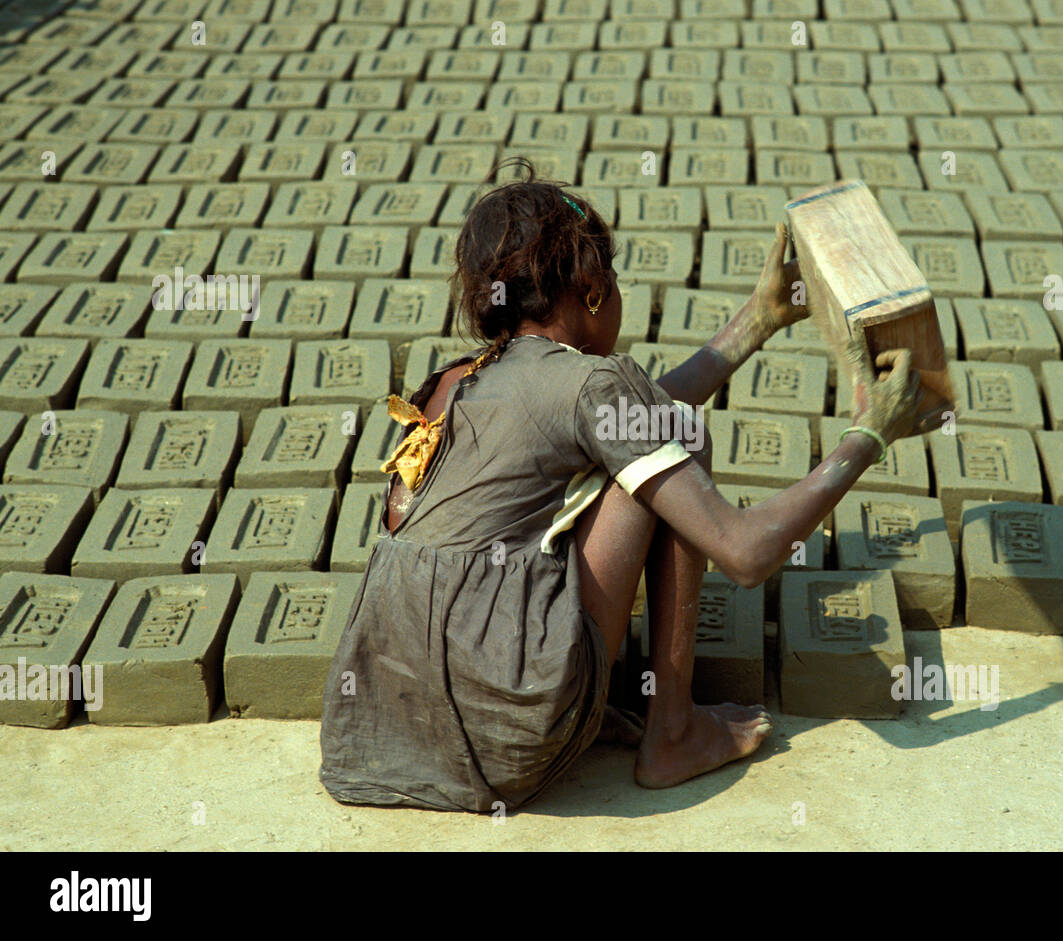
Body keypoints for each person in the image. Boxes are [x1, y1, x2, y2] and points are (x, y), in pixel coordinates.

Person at [319, 158, 920, 813]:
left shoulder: (453, 382)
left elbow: (618, 423)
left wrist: (760, 317)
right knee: (679, 435)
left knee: (650, 437)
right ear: (594, 291)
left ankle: (557, 693)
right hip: (503, 745)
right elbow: (744, 553)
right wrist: (869, 433)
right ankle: (674, 731)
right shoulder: (587, 385)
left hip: (377, 733)